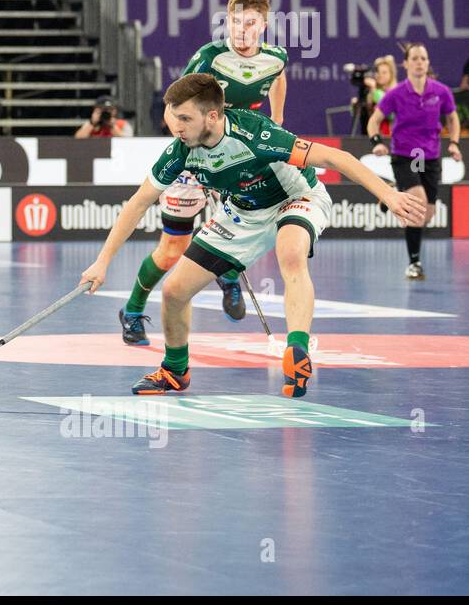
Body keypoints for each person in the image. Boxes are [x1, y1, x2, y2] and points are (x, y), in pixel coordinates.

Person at [80, 73, 424, 399]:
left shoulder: (256, 134)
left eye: (185, 119)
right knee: (173, 291)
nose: (177, 128)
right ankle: (175, 370)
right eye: (174, 118)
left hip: (295, 198)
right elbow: (138, 203)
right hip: (241, 213)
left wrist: (389, 195)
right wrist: (102, 261)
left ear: (212, 116)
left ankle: (297, 351)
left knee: (290, 253)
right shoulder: (182, 150)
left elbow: (336, 157)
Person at [116, 0, 287, 346]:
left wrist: (278, 119)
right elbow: (171, 106)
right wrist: (190, 142)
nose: (241, 30)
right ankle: (132, 310)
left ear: (265, 25)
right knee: (172, 249)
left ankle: (226, 271)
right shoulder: (210, 57)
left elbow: (277, 78)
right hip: (196, 158)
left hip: (239, 159)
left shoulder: (276, 57)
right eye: (235, 22)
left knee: (247, 227)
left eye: (250, 23)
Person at [368, 43, 462, 280]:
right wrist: (377, 141)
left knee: (427, 214)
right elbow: (374, 120)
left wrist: (454, 143)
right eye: (415, 58)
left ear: (428, 63)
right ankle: (414, 263)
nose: (420, 62)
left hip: (430, 157)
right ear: (406, 63)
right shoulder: (396, 93)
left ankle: (391, 195)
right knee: (417, 203)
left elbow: (452, 118)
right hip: (404, 156)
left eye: (424, 58)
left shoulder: (441, 92)